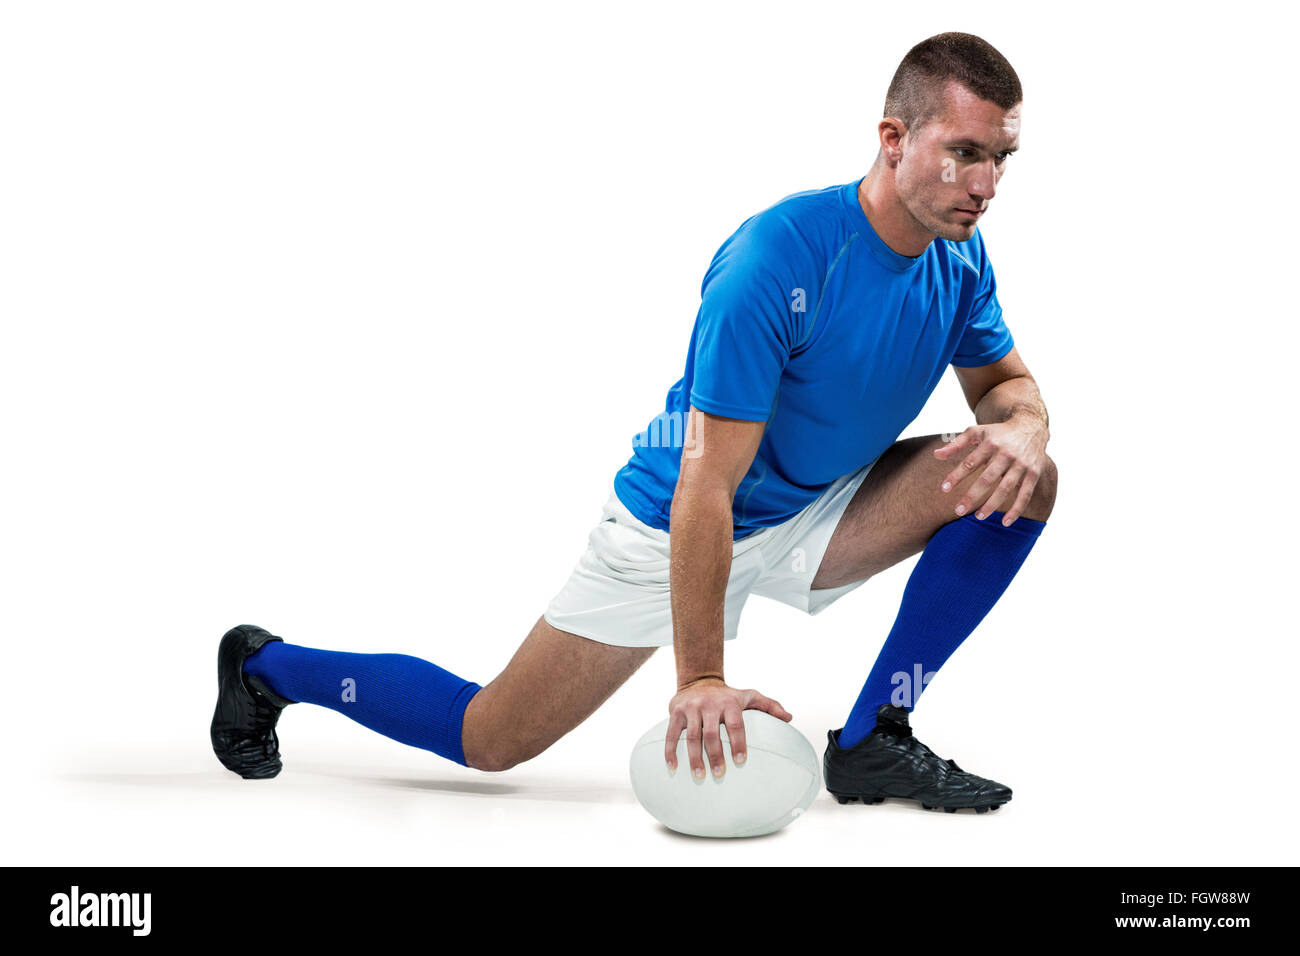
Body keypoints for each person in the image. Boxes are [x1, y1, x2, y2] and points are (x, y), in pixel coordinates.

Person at [211, 31, 1056, 814]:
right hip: (678, 524)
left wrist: (1025, 425)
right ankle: (265, 666)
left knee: (1028, 481)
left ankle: (878, 732)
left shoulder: (960, 254)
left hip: (819, 505)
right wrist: (702, 679)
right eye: (966, 154)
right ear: (894, 137)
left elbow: (1006, 385)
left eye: (1002, 159)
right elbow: (705, 483)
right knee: (490, 737)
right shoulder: (779, 258)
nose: (986, 186)